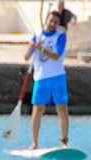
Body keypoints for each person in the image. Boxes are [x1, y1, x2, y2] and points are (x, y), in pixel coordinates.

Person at [24, 11, 69, 150]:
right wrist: (31, 47)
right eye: (51, 21)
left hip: (57, 76)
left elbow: (56, 56)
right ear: (46, 20)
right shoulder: (37, 35)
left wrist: (41, 49)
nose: (52, 24)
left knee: (61, 107)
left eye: (55, 22)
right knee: (37, 109)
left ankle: (64, 141)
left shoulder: (60, 36)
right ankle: (34, 143)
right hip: (40, 77)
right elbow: (26, 57)